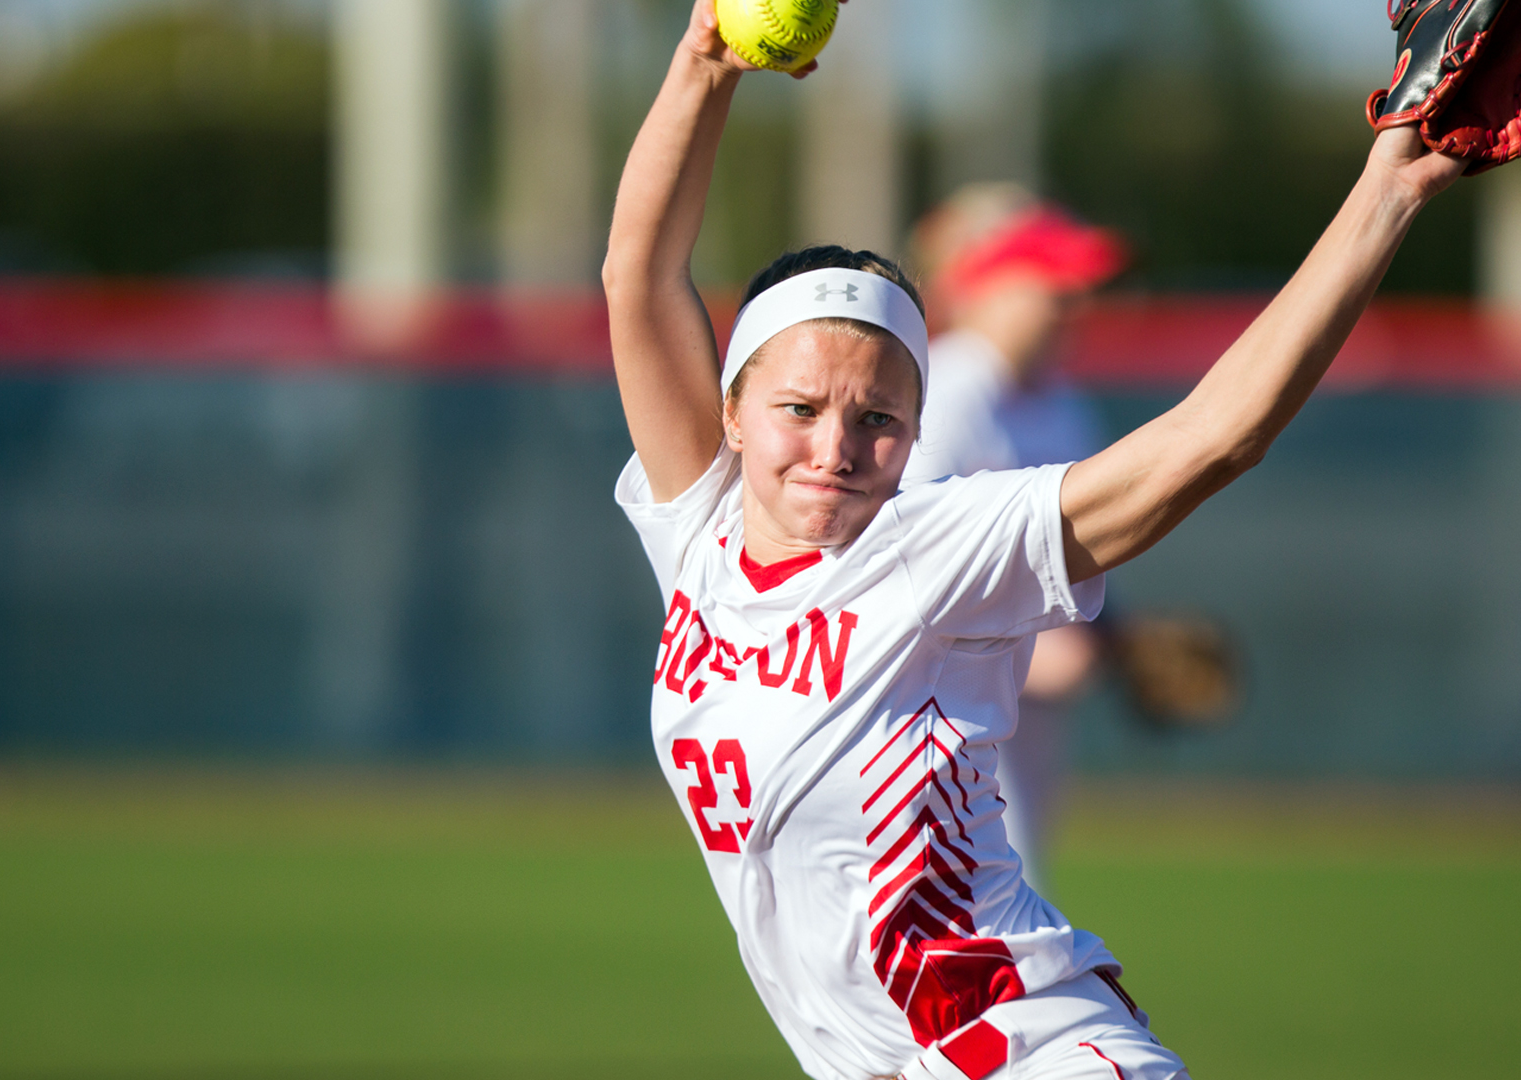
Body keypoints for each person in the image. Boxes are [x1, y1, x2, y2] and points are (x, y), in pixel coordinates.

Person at [602, 5, 1465, 1079]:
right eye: (800, 408)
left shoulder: (934, 549)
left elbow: (1214, 438)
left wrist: (1387, 189)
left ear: (917, 434)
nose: (835, 446)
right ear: (732, 413)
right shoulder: (700, 533)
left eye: (877, 419)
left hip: (1028, 1054)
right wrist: (702, 67)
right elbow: (636, 280)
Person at [901, 186, 1127, 890]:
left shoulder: (1061, 399)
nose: (1073, 303)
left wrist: (1117, 637)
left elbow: (1073, 551)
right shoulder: (945, 389)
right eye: (1051, 284)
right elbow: (894, 569)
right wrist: (1035, 648)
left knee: (1018, 887)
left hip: (1012, 718)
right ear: (984, 284)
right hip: (928, 722)